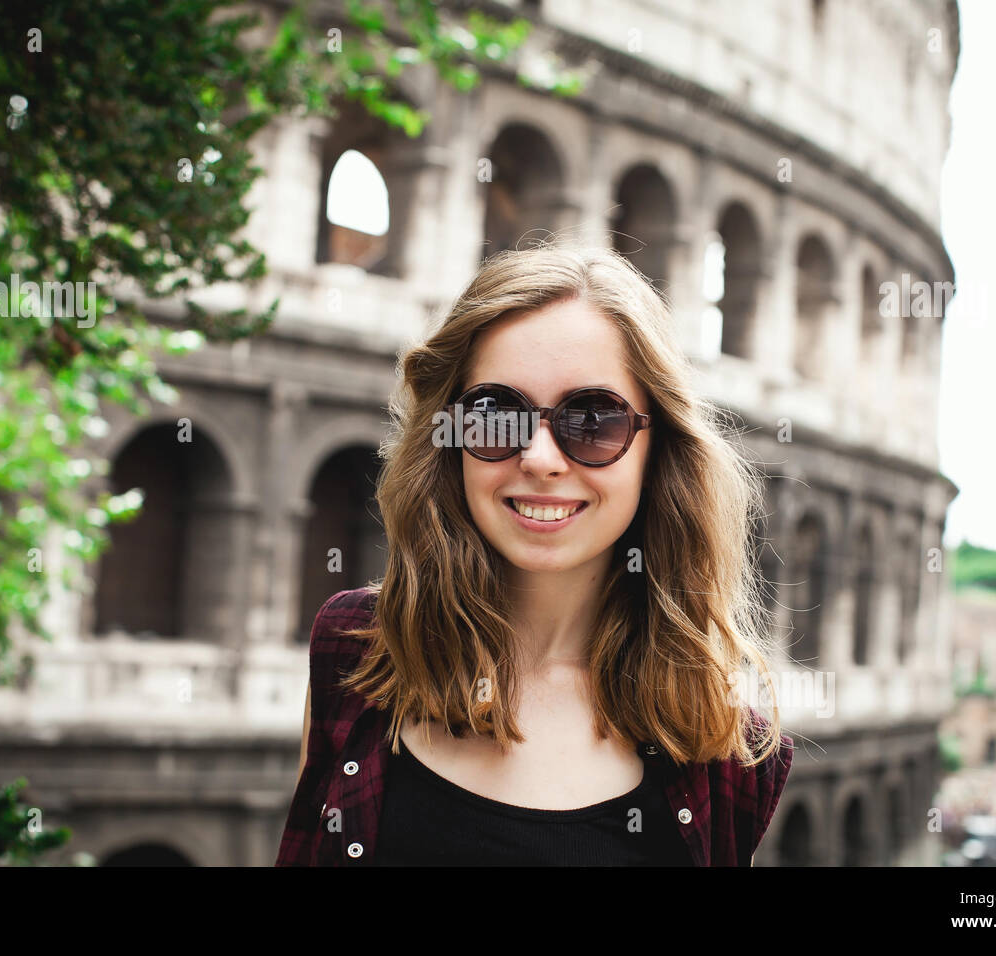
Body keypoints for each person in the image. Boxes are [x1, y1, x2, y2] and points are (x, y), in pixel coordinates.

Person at [276, 244, 793, 866]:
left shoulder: (726, 750)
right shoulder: (356, 649)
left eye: (593, 419)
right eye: (496, 415)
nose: (541, 459)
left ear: (657, 451)